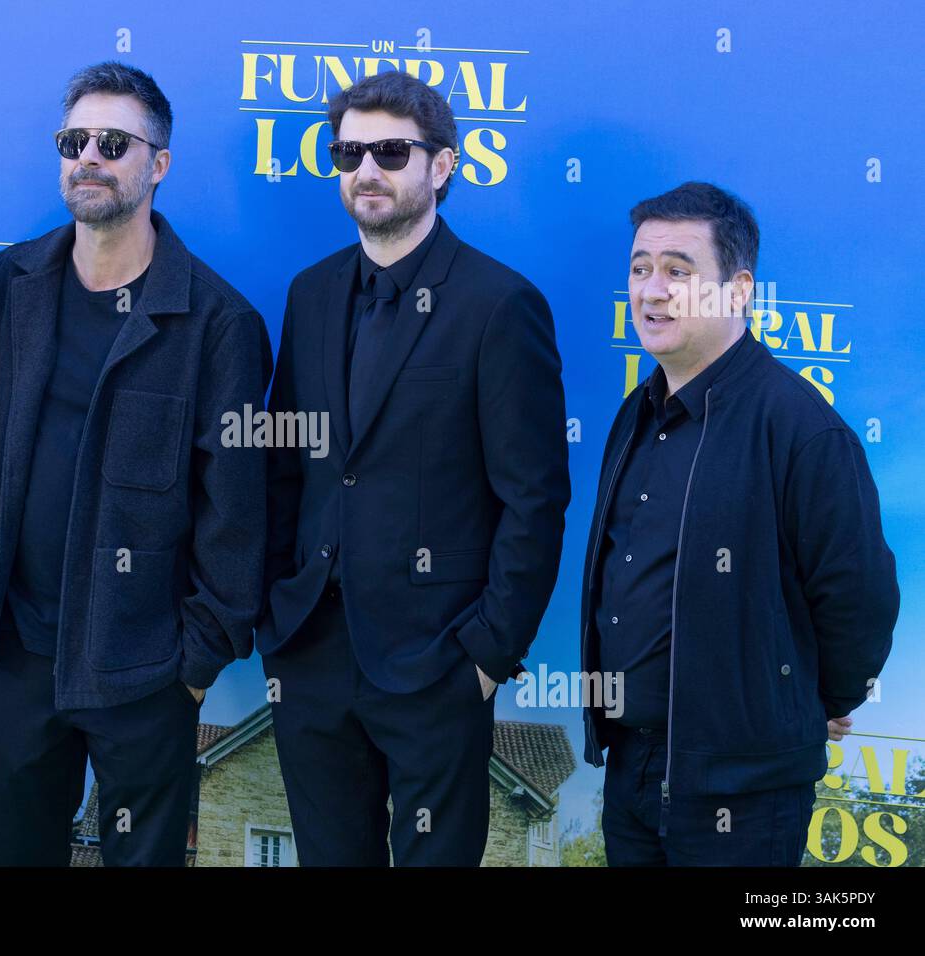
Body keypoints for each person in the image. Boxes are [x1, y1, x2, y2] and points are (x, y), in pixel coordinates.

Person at [260, 71, 570, 865]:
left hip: (438, 662)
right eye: (348, 152)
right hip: (311, 656)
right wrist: (274, 614)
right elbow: (284, 464)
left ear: (442, 166)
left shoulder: (500, 304)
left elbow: (533, 500)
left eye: (391, 152)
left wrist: (486, 658)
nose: (366, 170)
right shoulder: (310, 293)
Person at [0, 62, 271, 866]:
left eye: (113, 142)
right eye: (73, 141)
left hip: (144, 674)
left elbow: (236, 514)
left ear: (158, 164)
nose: (88, 158)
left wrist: (195, 666)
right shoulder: (11, 285)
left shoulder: (219, 324)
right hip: (19, 657)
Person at [581, 181, 899, 866]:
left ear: (739, 289)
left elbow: (860, 601)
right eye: (640, 268)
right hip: (630, 772)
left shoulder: (801, 429)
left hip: (743, 796)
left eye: (678, 269)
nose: (651, 289)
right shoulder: (633, 416)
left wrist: (798, 700)